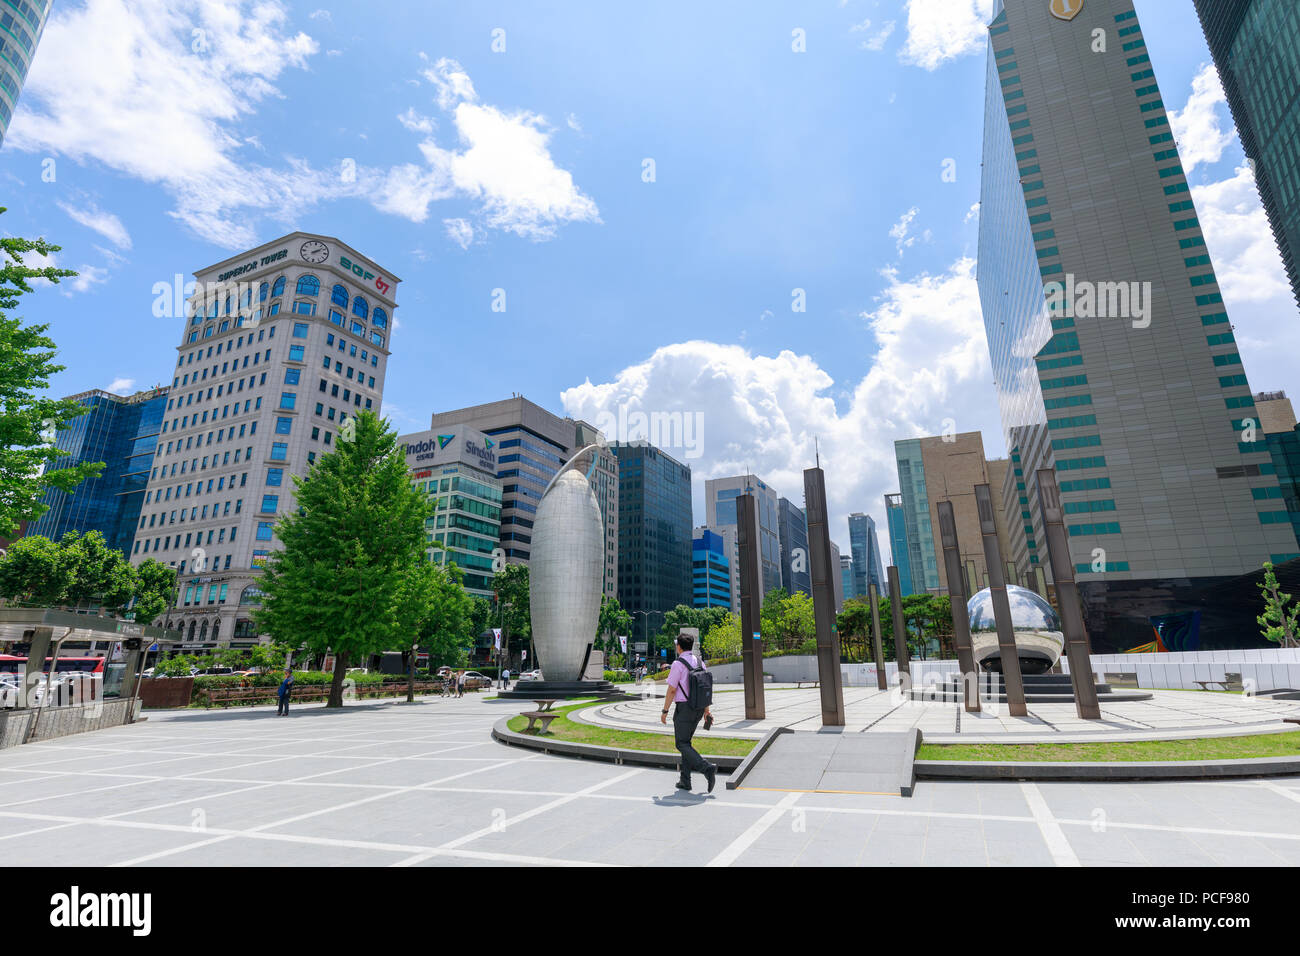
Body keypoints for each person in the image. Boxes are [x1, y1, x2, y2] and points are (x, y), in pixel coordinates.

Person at [660, 633, 716, 793]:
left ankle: (707, 768)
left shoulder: (678, 664)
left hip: (684, 709)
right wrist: (707, 711)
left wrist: (665, 711)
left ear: (679, 646)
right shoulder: (700, 662)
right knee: (686, 743)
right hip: (698, 708)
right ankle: (685, 781)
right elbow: (705, 687)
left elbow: (671, 690)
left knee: (681, 744)